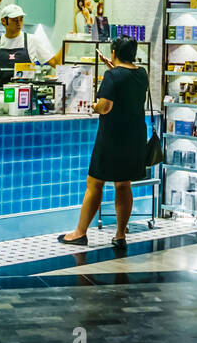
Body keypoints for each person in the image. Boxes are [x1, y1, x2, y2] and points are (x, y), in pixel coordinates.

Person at [59, 35, 149, 248]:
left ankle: (80, 233)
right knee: (123, 184)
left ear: (114, 53)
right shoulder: (141, 73)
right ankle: (120, 235)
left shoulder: (112, 75)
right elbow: (126, 80)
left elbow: (105, 106)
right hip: (135, 136)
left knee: (95, 183)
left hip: (112, 137)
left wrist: (93, 105)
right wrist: (115, 70)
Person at [0, 3, 60, 87]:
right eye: (15, 20)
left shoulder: (32, 41)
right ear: (3, 21)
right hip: (0, 94)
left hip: (24, 94)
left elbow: (55, 63)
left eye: (21, 19)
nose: (19, 23)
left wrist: (66, 42)